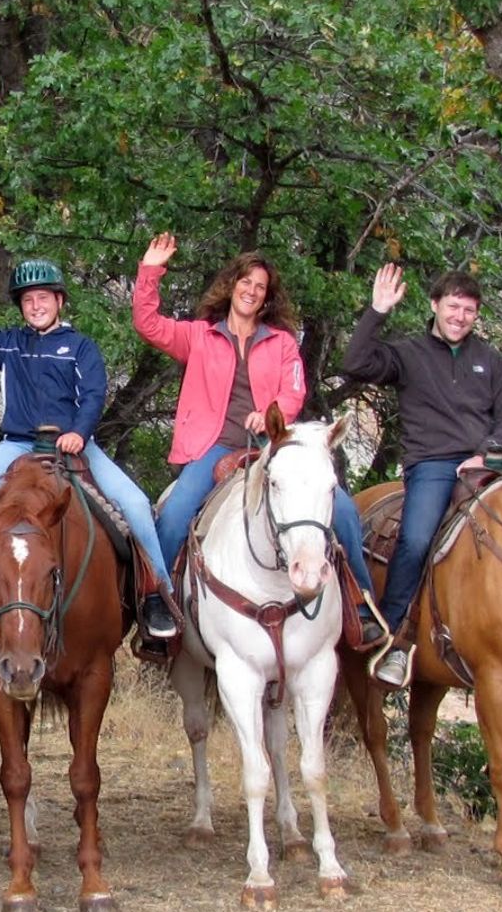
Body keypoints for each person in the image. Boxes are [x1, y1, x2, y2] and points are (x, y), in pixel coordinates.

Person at [132, 233, 379, 642]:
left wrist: (270, 416)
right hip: (212, 447)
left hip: (271, 446)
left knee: (345, 512)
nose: (251, 291)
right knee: (174, 514)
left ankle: (360, 603)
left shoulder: (282, 343)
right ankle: (159, 599)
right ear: (232, 287)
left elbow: (294, 390)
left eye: (260, 287)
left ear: (267, 299)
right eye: (245, 282)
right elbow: (149, 324)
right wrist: (150, 271)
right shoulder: (199, 336)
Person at [0, 246, 177, 644]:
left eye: (43, 298)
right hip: (18, 446)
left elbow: (94, 395)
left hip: (75, 447)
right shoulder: (10, 344)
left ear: (59, 300)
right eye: (28, 300)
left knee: (135, 505)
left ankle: (156, 595)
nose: (35, 306)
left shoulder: (81, 347)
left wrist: (79, 432)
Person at [341, 264, 502, 686]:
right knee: (418, 537)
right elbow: (355, 363)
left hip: (486, 464)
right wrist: (377, 311)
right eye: (454, 307)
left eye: (470, 310)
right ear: (435, 306)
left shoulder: (491, 362)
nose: (460, 316)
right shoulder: (409, 354)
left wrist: (488, 453)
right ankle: (395, 638)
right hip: (433, 464)